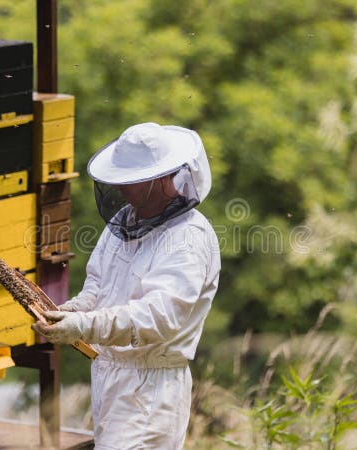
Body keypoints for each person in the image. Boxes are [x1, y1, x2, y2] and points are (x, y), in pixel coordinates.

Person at [32, 122, 220, 449]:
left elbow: (157, 319)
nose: (121, 189)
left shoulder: (187, 240)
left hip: (150, 390)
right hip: (110, 377)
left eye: (130, 182)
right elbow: (98, 287)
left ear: (160, 180)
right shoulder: (125, 222)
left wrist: (83, 326)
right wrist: (74, 310)